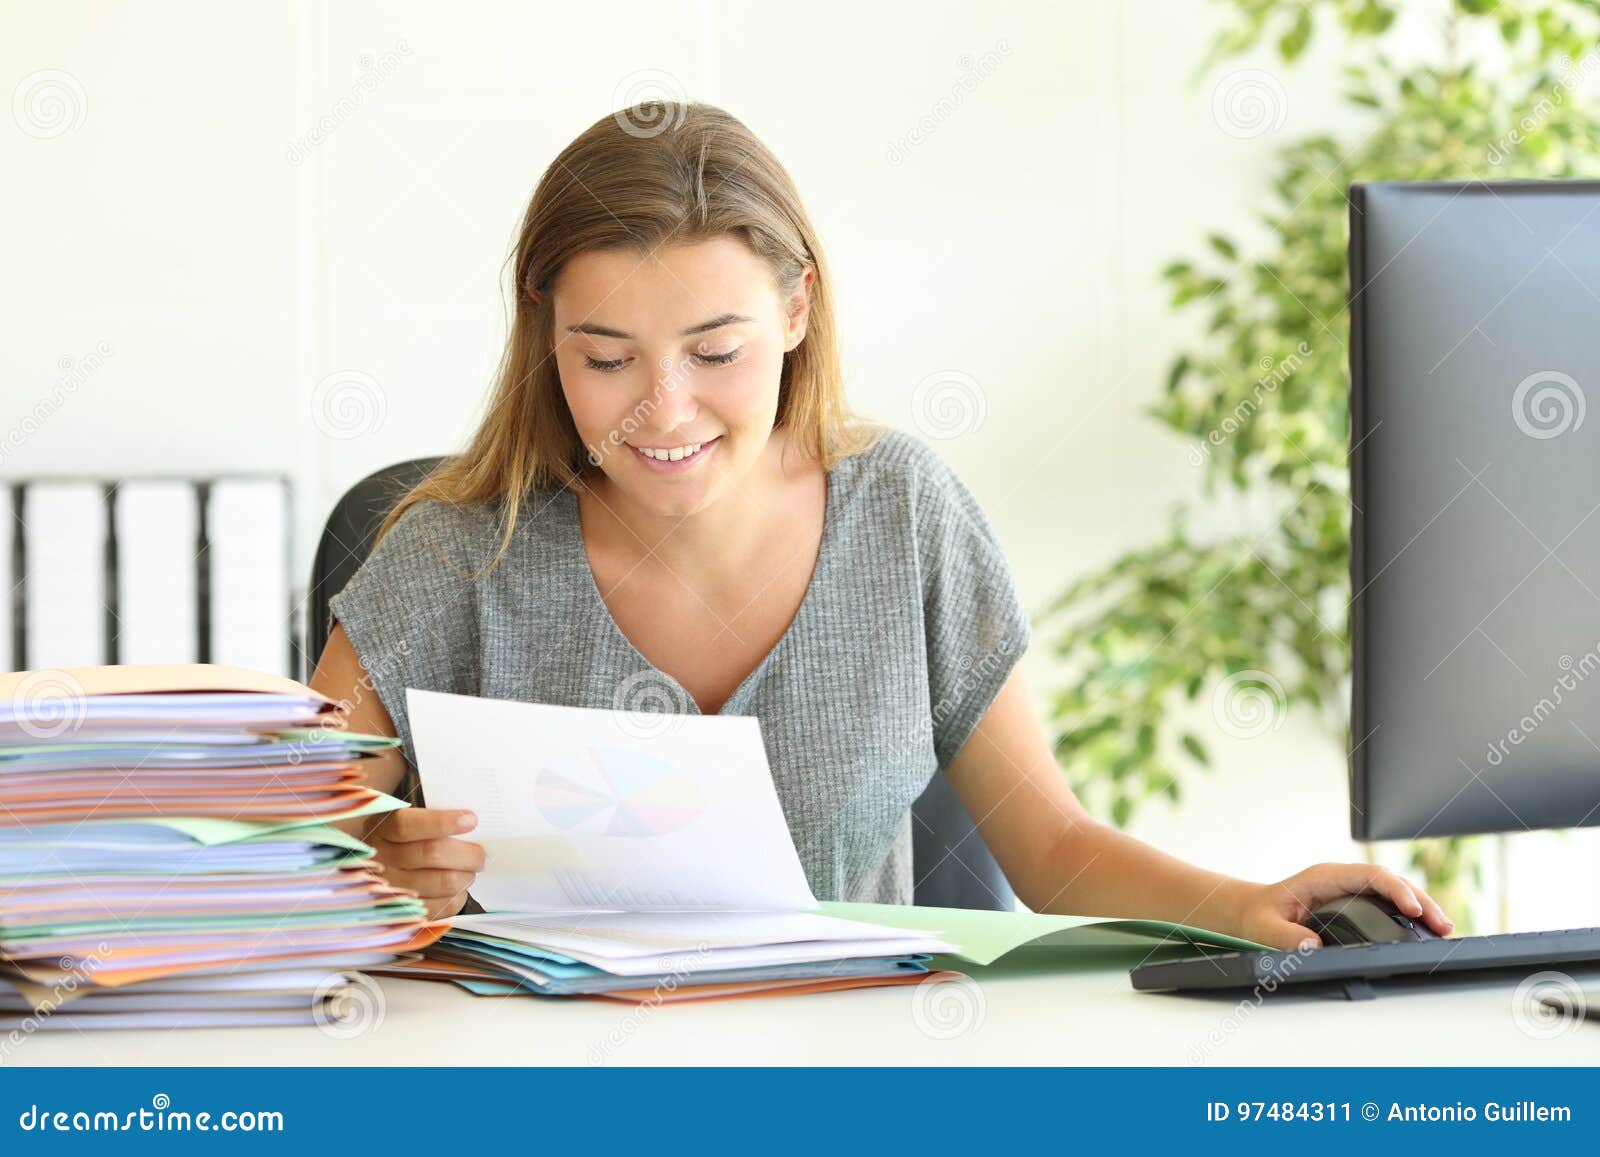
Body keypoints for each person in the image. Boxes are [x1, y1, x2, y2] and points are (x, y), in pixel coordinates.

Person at [310, 100, 1453, 950]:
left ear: (795, 308)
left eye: (716, 351)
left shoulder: (901, 513)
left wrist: (1247, 904)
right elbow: (277, 853)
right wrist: (364, 878)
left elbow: (1052, 849)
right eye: (605, 358)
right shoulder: (452, 554)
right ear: (544, 332)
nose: (663, 409)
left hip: (846, 1073)